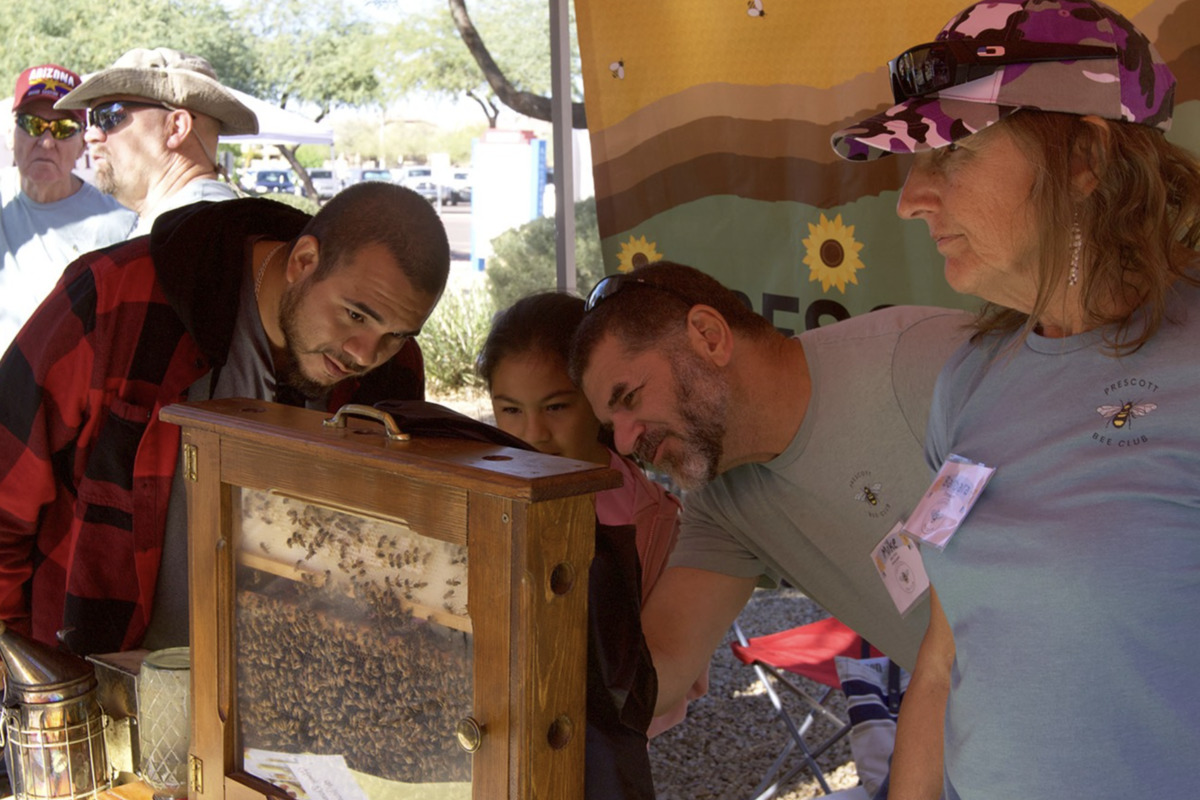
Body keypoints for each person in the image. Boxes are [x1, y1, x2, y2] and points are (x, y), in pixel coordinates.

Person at [830, 1, 1199, 797]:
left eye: (952, 155)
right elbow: (943, 658)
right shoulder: (971, 382)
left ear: (1084, 159)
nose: (910, 198)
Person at [0, 181, 449, 657]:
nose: (365, 354)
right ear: (303, 262)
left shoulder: (393, 370)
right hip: (101, 691)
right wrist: (24, 670)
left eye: (396, 334)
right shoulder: (118, 299)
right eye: (356, 315)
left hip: (293, 702)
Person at [569, 261, 973, 726]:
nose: (623, 442)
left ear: (709, 336)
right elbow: (659, 666)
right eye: (611, 425)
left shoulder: (922, 361)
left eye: (631, 398)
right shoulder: (722, 503)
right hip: (983, 733)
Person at [476, 291, 705, 737]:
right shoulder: (477, 491)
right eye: (510, 410)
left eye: (556, 407)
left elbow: (674, 681)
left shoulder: (651, 520)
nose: (533, 434)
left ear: (600, 401)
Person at [0, 64, 135, 352]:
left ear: (82, 145)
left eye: (64, 129)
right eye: (32, 124)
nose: (46, 142)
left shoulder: (117, 224)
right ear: (11, 134)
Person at [54, 47, 258, 237]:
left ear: (176, 128)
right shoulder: (198, 225)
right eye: (91, 119)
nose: (91, 135)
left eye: (108, 116)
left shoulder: (195, 235)